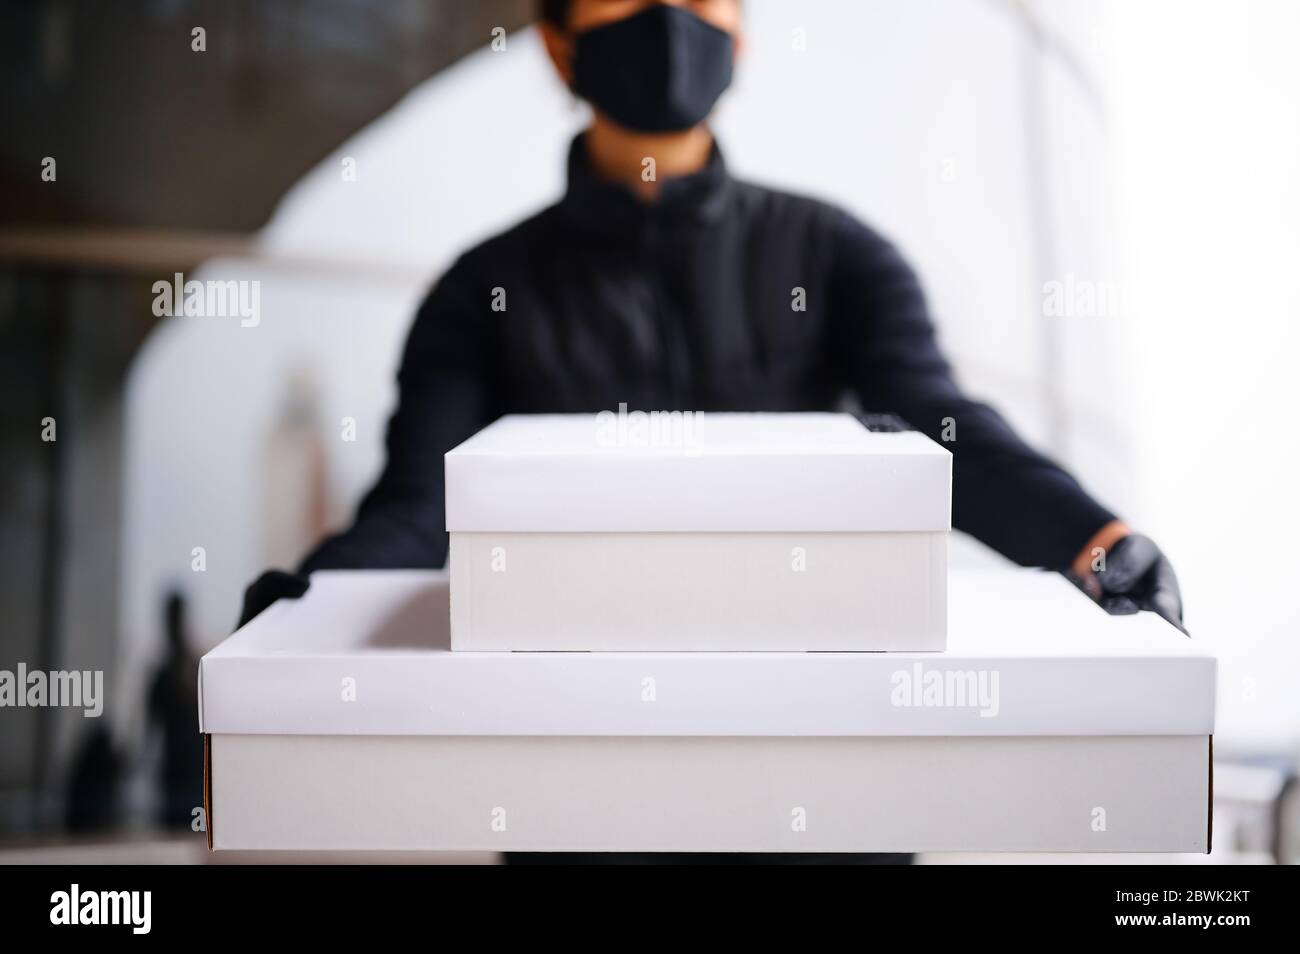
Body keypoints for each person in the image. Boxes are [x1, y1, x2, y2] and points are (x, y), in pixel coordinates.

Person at [238, 0, 1186, 861]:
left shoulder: (837, 254)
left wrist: (1093, 542)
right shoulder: (480, 291)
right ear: (557, 42)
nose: (667, 17)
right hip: (577, 788)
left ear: (740, 34)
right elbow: (417, 506)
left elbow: (948, 438)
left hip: (828, 784)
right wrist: (308, 604)